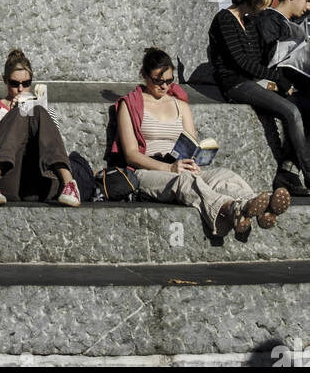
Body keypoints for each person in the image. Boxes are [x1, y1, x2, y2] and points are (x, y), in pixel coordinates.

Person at [115, 47, 288, 236]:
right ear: (145, 75)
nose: (164, 86)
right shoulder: (130, 104)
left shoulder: (180, 104)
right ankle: (231, 209)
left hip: (181, 166)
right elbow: (131, 155)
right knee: (185, 181)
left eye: (169, 80)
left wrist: (194, 162)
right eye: (158, 81)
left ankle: (257, 205)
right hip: (148, 172)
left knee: (224, 176)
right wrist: (169, 168)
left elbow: (191, 142)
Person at [208, 0, 310, 196]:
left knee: (302, 106)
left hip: (255, 80)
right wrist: (279, 80)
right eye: (259, 3)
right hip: (235, 84)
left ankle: (287, 174)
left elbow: (257, 59)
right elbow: (241, 63)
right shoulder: (224, 19)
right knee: (291, 112)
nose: (263, 8)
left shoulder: (250, 21)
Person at [0, 50, 80, 206]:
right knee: (21, 112)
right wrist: (13, 114)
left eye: (26, 84)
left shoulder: (43, 110)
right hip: (9, 180)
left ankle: (69, 184)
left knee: (36, 111)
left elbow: (55, 148)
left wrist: (35, 109)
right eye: (14, 83)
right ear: (4, 80)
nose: (20, 89)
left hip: (41, 181)